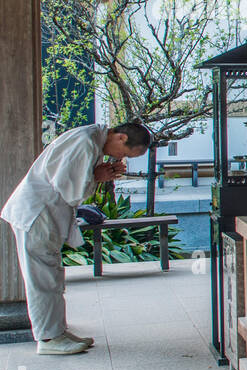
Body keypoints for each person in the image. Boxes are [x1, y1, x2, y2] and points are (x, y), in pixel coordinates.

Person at [1, 120, 152, 354]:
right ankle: (49, 339)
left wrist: (98, 174)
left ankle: (55, 332)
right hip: (38, 214)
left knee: (49, 276)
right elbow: (71, 190)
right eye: (123, 153)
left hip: (42, 214)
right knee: (43, 278)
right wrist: (99, 177)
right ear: (121, 137)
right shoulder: (85, 142)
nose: (118, 158)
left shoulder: (91, 140)